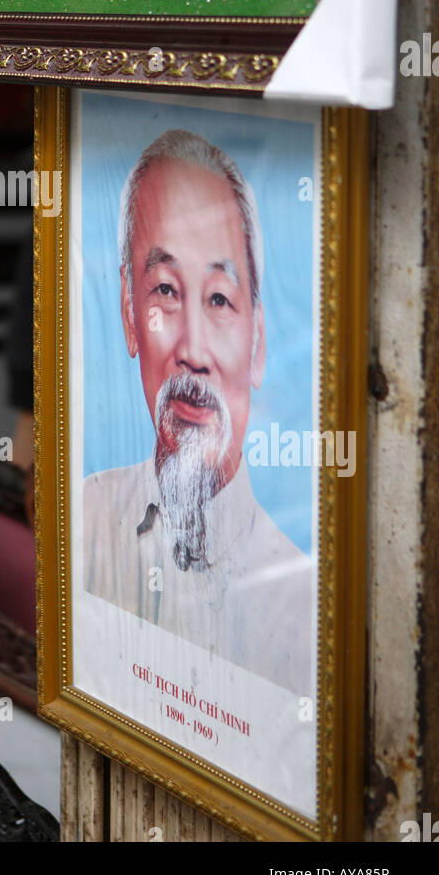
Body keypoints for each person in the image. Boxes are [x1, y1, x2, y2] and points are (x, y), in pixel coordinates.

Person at [84, 129, 312, 695]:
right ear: (128, 311)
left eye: (218, 299)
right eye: (164, 290)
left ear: (258, 342)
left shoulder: (305, 609)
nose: (192, 348)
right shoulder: (82, 523)